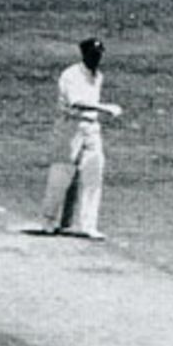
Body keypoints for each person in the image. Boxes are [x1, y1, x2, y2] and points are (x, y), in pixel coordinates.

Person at [39, 37, 123, 240]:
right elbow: (76, 103)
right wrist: (105, 108)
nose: (97, 58)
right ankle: (48, 220)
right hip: (70, 127)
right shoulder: (71, 75)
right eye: (93, 54)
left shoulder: (98, 76)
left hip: (92, 128)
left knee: (94, 174)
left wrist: (98, 113)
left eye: (99, 54)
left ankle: (88, 225)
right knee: (62, 174)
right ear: (84, 54)